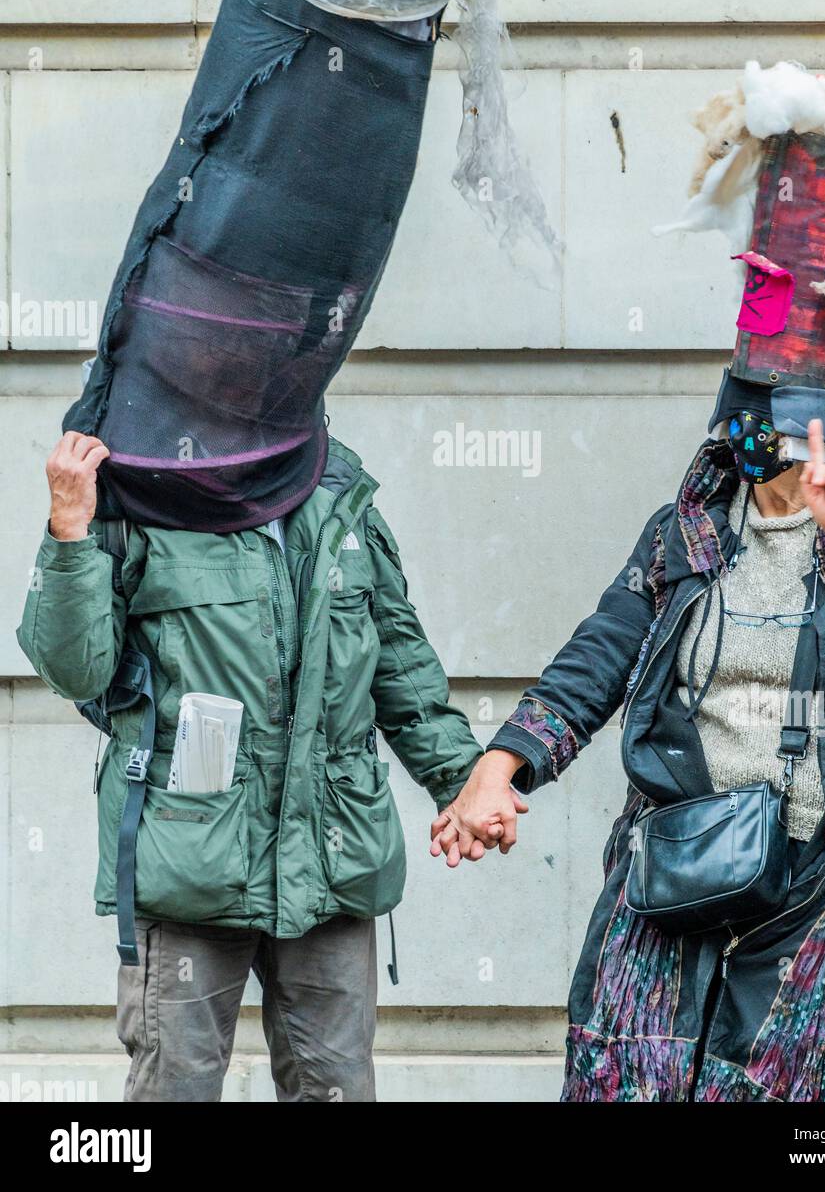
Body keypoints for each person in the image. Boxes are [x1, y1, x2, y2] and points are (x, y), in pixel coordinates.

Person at [431, 107, 825, 1102]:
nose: (783, 457)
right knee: (638, 1076)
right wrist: (498, 769)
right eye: (763, 435)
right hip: (677, 868)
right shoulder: (682, 537)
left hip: (820, 890)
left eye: (803, 439)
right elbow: (594, 660)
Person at [19, 430, 482, 1103]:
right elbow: (73, 668)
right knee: (172, 1090)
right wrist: (69, 527)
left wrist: (466, 783)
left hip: (332, 859)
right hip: (188, 863)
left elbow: (402, 668)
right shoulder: (138, 494)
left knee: (339, 1090)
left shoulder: (338, 494)